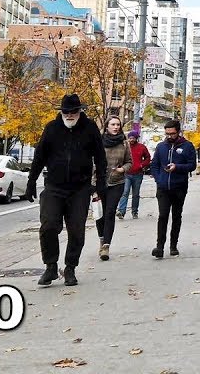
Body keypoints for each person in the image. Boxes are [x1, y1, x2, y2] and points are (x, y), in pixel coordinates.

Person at [26, 93, 107, 287]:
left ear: (80, 111)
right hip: (54, 186)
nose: (70, 115)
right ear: (61, 112)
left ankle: (70, 267)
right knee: (48, 226)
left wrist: (100, 184)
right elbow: (39, 156)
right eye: (66, 112)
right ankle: (51, 266)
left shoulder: (90, 129)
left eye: (73, 111)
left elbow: (100, 158)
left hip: (80, 188)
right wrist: (31, 181)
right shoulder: (52, 129)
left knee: (77, 230)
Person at [149, 120, 196, 258]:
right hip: (163, 188)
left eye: (172, 133)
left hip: (179, 187)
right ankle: (159, 247)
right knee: (163, 216)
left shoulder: (187, 146)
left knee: (176, 216)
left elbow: (192, 165)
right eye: (167, 133)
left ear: (178, 132)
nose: (169, 136)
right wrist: (159, 179)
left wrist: (178, 167)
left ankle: (173, 245)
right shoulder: (161, 147)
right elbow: (154, 165)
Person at [94, 116, 131, 261]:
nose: (116, 127)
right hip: (98, 182)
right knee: (100, 214)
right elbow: (91, 162)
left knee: (110, 212)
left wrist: (123, 169)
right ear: (107, 126)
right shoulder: (98, 142)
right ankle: (102, 239)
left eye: (118, 125)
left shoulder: (124, 143)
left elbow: (129, 162)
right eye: (113, 124)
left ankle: (106, 246)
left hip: (117, 182)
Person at [116, 128, 151, 219]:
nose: (131, 139)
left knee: (136, 194)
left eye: (133, 138)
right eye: (130, 138)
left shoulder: (142, 147)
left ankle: (134, 212)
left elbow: (148, 158)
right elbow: (119, 157)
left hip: (138, 174)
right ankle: (121, 211)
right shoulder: (125, 147)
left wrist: (141, 165)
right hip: (126, 173)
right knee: (125, 192)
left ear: (136, 138)